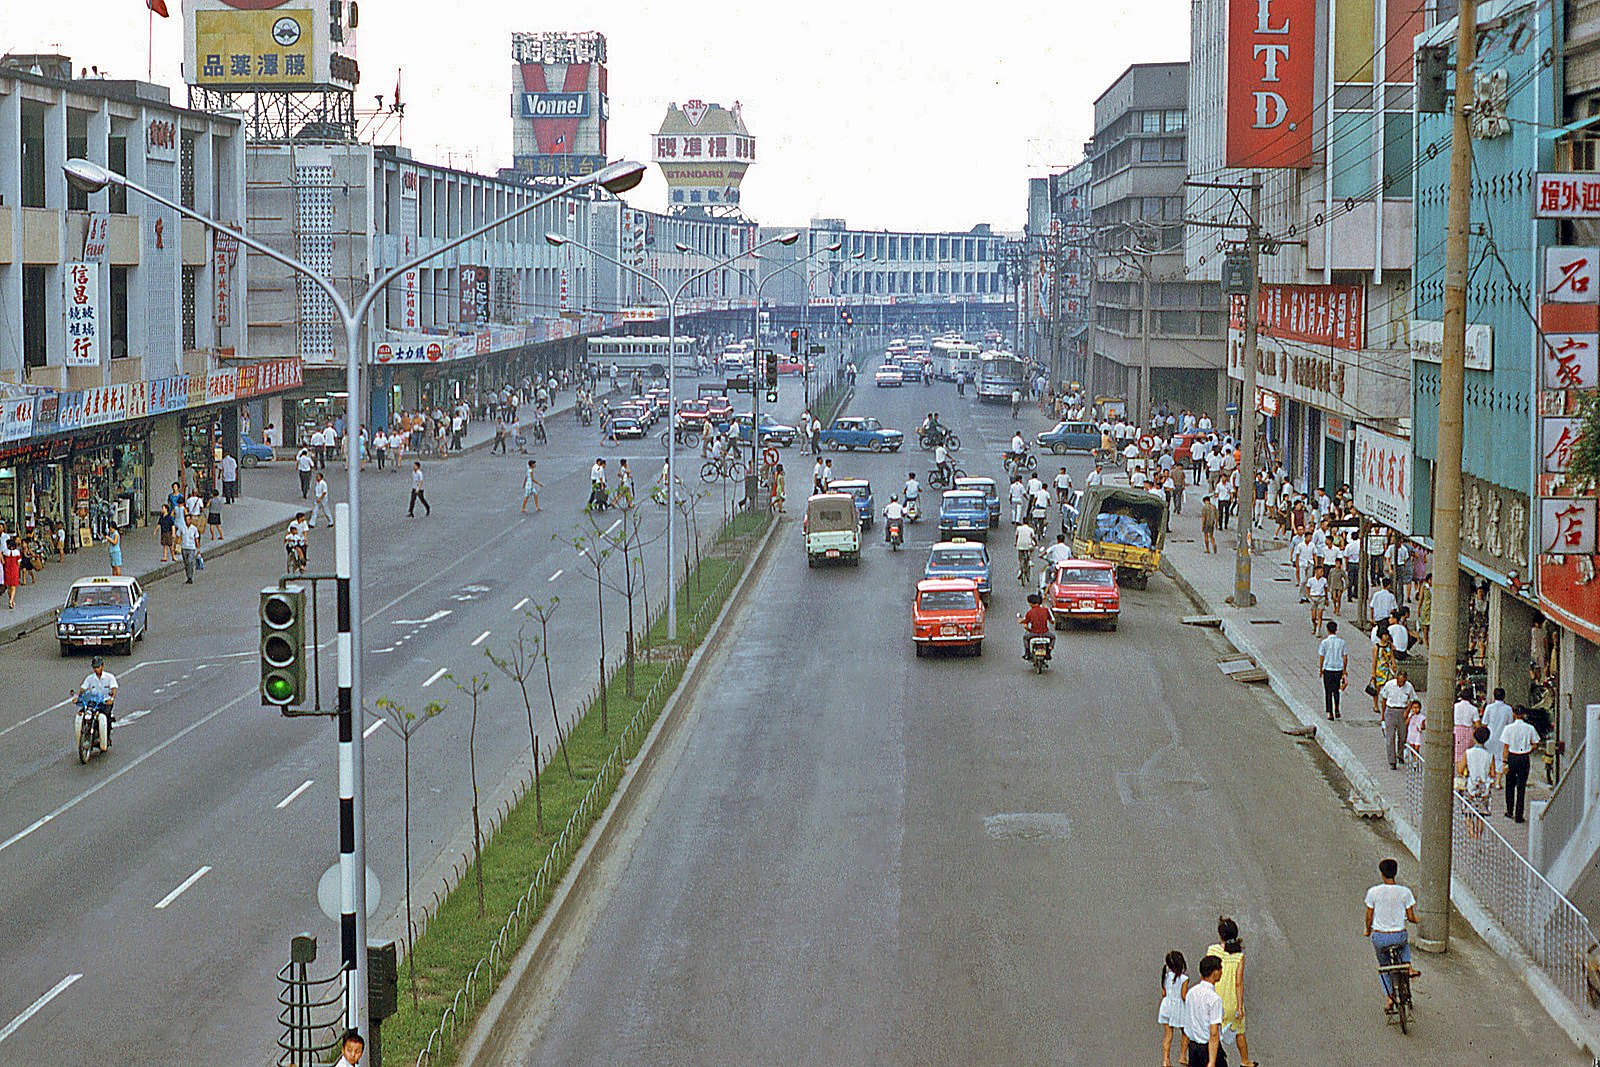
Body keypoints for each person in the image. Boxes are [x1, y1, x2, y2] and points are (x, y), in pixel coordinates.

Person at [1364, 857, 1421, 1010]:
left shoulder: (1373, 892)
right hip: (1398, 936)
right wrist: (1416, 920)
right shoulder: (1405, 892)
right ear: (1395, 873)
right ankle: (1408, 966)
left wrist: (1367, 930)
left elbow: (1369, 916)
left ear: (1382, 874)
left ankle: (1389, 998)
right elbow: (1410, 917)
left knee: (1383, 966)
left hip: (1380, 937)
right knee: (1404, 942)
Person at [1208, 918, 1253, 1067]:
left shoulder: (1212, 950)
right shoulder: (1239, 957)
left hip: (1214, 998)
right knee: (1239, 1032)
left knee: (1212, 1032)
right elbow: (1238, 983)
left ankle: (1212, 1060)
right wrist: (1239, 1008)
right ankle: (1245, 1061)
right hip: (1231, 1002)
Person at [1183, 955, 1227, 1067]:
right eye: (1220, 968)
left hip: (1193, 1048)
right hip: (1208, 1049)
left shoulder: (1191, 993)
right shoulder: (1214, 998)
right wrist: (1212, 1061)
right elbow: (1213, 1033)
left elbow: (1188, 1021)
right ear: (1214, 972)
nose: (1221, 971)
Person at [1502, 705, 1540, 822]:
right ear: (1524, 714)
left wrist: (1504, 761)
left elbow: (1505, 746)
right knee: (1521, 786)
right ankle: (1519, 815)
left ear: (1514, 714)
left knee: (1509, 785)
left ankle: (1509, 810)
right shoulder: (1530, 728)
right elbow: (1535, 743)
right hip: (1524, 758)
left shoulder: (1508, 728)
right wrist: (1529, 750)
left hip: (1512, 757)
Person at [74, 656, 118, 750]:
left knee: (106, 717)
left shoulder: (109, 677)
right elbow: (83, 688)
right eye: (95, 667)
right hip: (93, 703)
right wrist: (78, 697)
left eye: (98, 667)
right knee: (83, 713)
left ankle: (106, 737)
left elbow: (114, 689)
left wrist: (112, 698)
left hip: (104, 703)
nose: (97, 669)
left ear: (102, 666)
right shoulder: (90, 678)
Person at [1379, 669, 1416, 769]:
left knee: (1403, 736)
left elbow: (1413, 699)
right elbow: (1384, 699)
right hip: (1391, 711)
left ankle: (1400, 755)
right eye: (1400, 682)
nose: (1401, 684)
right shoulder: (1389, 685)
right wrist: (1383, 716)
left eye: (1403, 682)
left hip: (1402, 712)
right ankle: (1392, 761)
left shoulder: (1409, 687)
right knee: (1390, 737)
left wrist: (1407, 711)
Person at [1158, 950, 1189, 1067]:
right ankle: (1182, 1056)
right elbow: (1183, 996)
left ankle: (1166, 1059)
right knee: (1185, 1032)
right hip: (1179, 1008)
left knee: (1168, 1033)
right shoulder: (1184, 979)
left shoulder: (1165, 976)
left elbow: (1164, 992)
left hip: (1166, 1006)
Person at [1458, 724, 1495, 817]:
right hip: (1484, 787)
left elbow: (1460, 769)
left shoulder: (1468, 753)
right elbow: (1493, 773)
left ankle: (1471, 831)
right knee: (1481, 815)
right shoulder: (1490, 754)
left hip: (1471, 785)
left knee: (1467, 813)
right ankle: (1478, 832)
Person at [1482, 687, 1515, 787]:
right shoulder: (1508, 709)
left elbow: (1484, 722)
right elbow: (1510, 723)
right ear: (1504, 696)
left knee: (1489, 757)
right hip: (1502, 736)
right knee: (1500, 758)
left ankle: (1491, 778)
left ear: (1494, 696)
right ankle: (1498, 782)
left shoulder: (1489, 707)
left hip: (1490, 736)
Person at [1318, 621, 1348, 721]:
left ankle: (1330, 712)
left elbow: (1322, 657)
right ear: (1336, 630)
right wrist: (1344, 670)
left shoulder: (1324, 643)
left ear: (1327, 630)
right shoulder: (1342, 642)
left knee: (1328, 691)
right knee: (1336, 690)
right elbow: (1345, 657)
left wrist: (1321, 669)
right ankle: (1337, 707)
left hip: (1328, 669)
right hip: (1338, 669)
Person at [1369, 629, 1398, 715]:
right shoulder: (1377, 647)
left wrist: (1393, 665)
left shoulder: (1389, 646)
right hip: (1379, 670)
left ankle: (1386, 704)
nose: (1386, 637)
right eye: (1384, 635)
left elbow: (1391, 656)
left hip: (1387, 669)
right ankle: (1375, 705)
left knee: (1388, 687)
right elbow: (1374, 660)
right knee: (1377, 688)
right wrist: (1373, 672)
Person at [1018, 591, 1052, 660]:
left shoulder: (1030, 612)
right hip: (1045, 632)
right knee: (1053, 637)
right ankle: (1048, 652)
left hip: (1034, 633)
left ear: (1031, 603)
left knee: (1025, 637)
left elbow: (1026, 623)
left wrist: (1021, 621)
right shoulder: (1045, 610)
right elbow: (1051, 620)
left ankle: (1027, 653)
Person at [1453, 687, 1482, 764]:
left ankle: (1460, 771)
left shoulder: (1455, 706)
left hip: (1457, 730)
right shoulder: (1473, 709)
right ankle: (1466, 771)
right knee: (1468, 754)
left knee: (1458, 755)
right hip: (1469, 731)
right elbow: (1478, 724)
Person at [1305, 563, 1329, 635]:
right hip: (1313, 598)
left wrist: (1326, 599)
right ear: (1316, 571)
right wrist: (1309, 597)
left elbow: (1325, 589)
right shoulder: (1311, 580)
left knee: (1320, 614)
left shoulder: (1324, 580)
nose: (1322, 573)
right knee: (1313, 616)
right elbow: (1308, 589)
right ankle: (1314, 624)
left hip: (1321, 597)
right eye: (1320, 571)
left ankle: (1318, 630)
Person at [179, 511, 201, 584]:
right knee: (186, 563)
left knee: (190, 561)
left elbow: (196, 538)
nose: (187, 521)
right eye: (186, 520)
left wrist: (198, 548)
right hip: (184, 547)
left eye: (189, 519)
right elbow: (178, 536)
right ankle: (188, 577)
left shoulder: (194, 528)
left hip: (191, 547)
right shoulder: (182, 527)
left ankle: (190, 576)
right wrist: (177, 544)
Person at [1015, 519, 1037, 585]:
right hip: (1028, 545)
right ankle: (1030, 559)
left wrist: (1016, 543)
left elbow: (1017, 536)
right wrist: (1036, 543)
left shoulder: (1019, 528)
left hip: (1020, 545)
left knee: (1020, 559)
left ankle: (1020, 570)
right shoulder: (1031, 529)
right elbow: (1033, 537)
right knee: (1031, 550)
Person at [1, 536, 19, 609]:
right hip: (14, 570)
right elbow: (19, 562)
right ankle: (11, 601)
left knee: (9, 587)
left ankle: (10, 599)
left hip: (7, 570)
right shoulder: (17, 553)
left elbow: (3, 562)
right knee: (13, 587)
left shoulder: (5, 553)